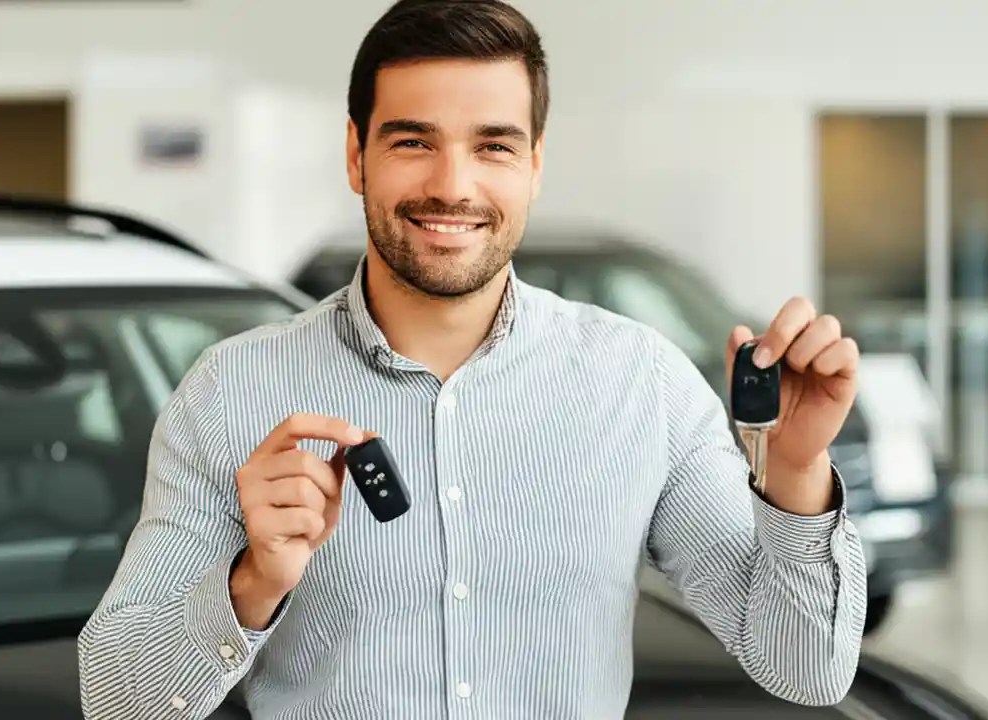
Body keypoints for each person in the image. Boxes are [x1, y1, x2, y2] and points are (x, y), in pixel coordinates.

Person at [77, 0, 867, 717]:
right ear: (356, 155)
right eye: (413, 140)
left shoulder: (642, 383)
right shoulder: (229, 393)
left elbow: (804, 671)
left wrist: (795, 475)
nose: (452, 186)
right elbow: (115, 700)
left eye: (492, 145)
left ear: (533, 164)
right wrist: (250, 586)